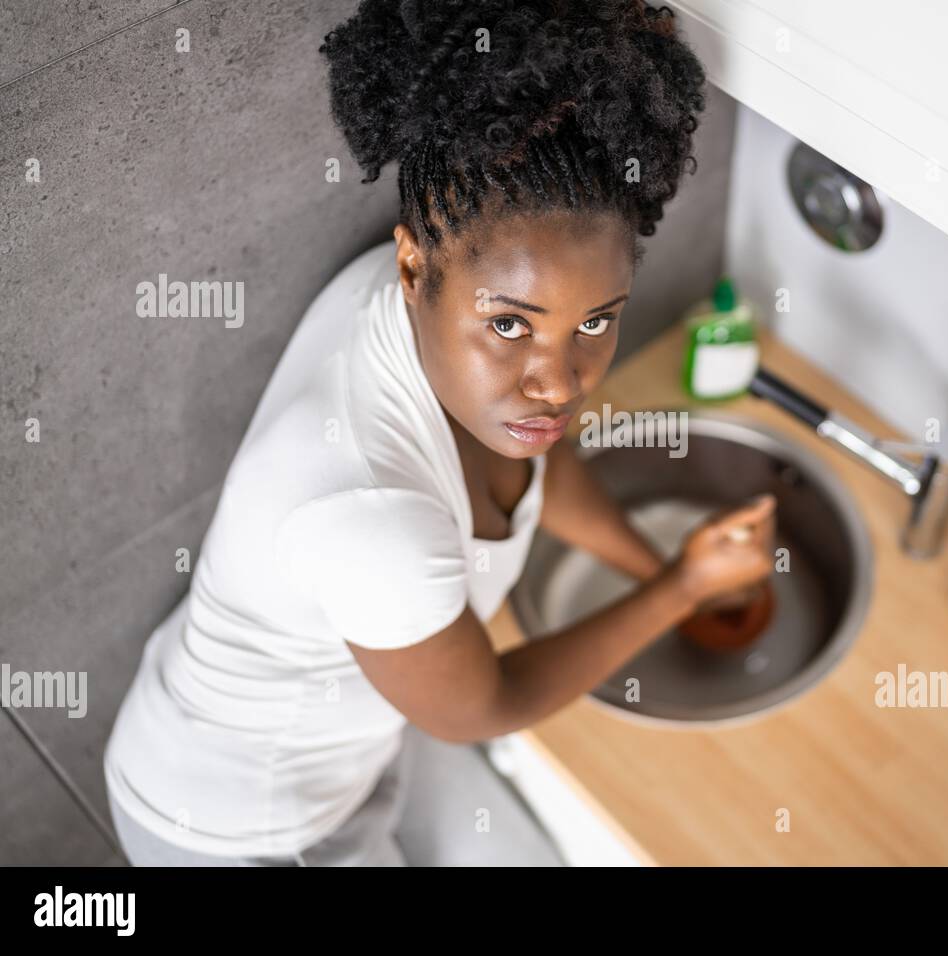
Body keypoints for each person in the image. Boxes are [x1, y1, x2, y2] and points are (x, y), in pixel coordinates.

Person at [103, 0, 776, 866]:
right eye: (510, 325)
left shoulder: (420, 312)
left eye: (596, 321)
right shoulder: (368, 507)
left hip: (352, 748)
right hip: (240, 827)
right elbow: (478, 707)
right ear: (414, 263)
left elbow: (536, 465)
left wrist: (654, 563)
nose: (559, 380)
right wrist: (683, 588)